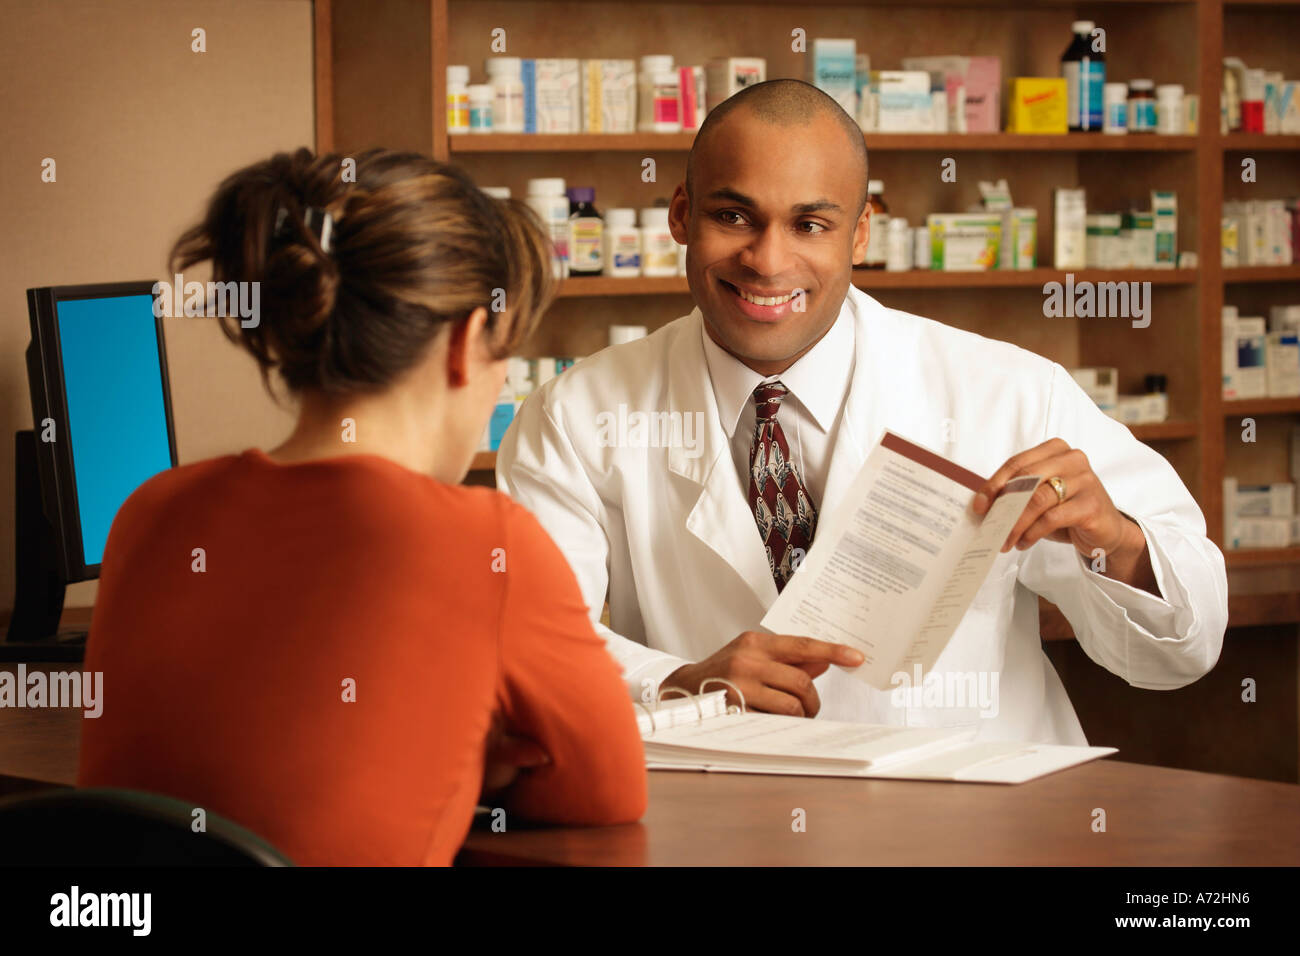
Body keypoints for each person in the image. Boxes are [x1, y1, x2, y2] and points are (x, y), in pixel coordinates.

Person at [497, 80, 1228, 744]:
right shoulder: (575, 417)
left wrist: (1116, 544)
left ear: (860, 233)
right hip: (717, 825)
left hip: (973, 827)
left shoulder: (1006, 393)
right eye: (733, 215)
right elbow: (529, 644)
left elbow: (1182, 651)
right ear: (682, 217)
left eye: (810, 224)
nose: (768, 261)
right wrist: (676, 681)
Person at [78, 147, 647, 865]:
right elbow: (606, 793)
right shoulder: (487, 542)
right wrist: (470, 753)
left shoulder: (150, 512)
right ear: (468, 344)